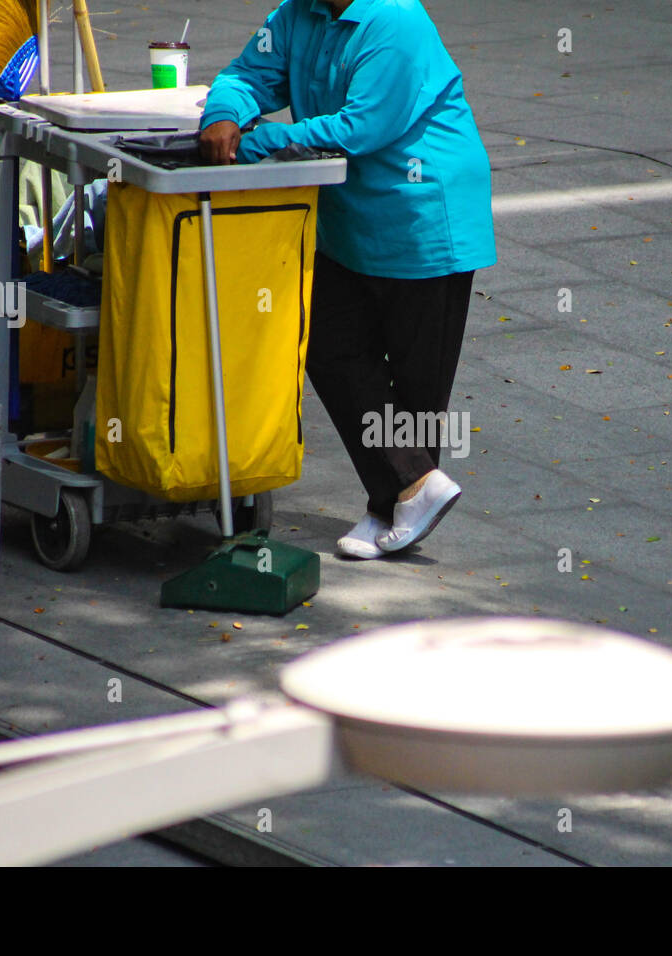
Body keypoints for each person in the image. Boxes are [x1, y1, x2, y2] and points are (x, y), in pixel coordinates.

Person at [198, 0, 495, 559]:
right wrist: (224, 115)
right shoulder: (296, 14)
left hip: (424, 218)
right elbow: (246, 75)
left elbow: (362, 126)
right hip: (351, 223)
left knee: (416, 387)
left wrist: (250, 144)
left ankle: (391, 506)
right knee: (327, 347)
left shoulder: (396, 20)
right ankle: (407, 491)